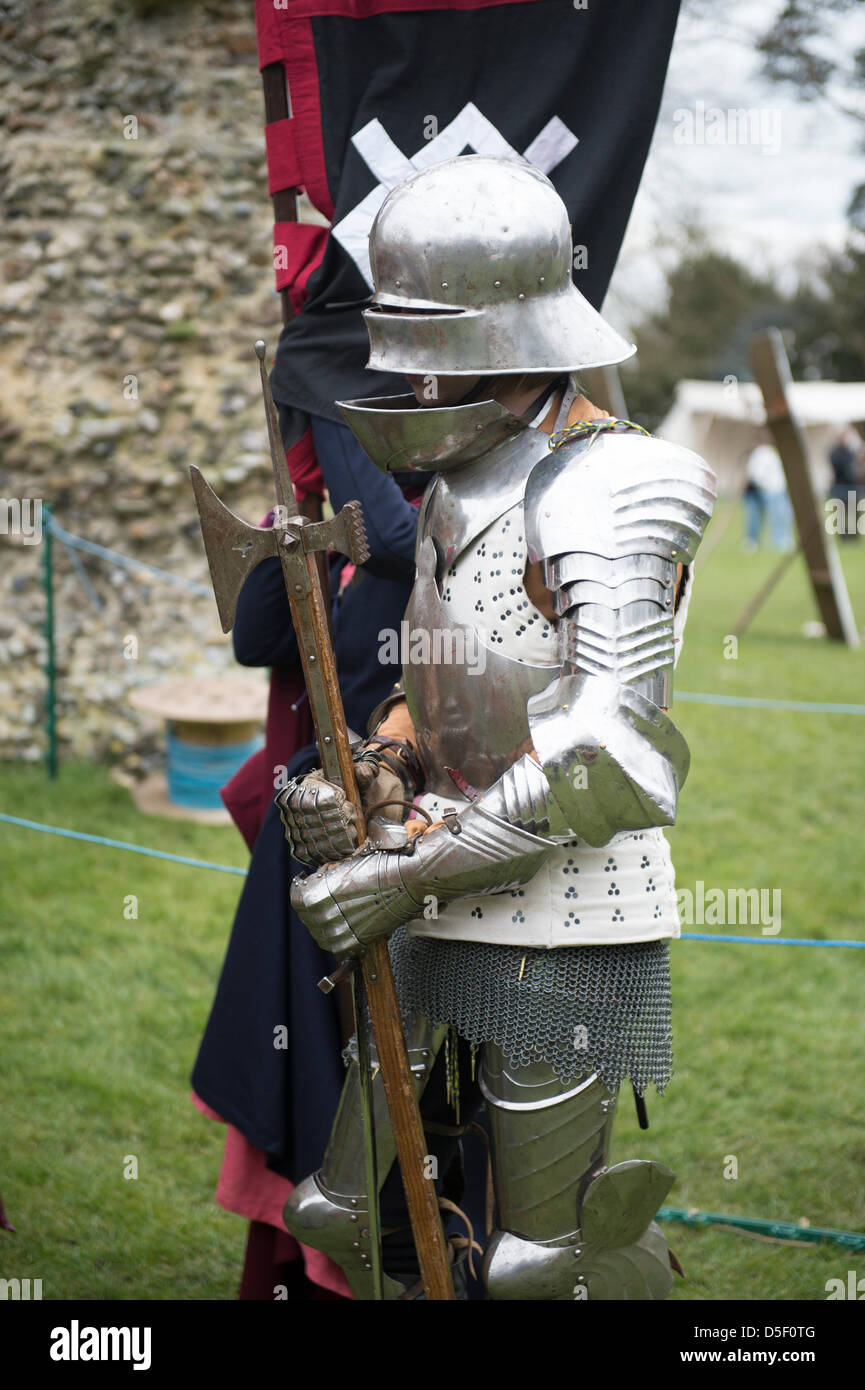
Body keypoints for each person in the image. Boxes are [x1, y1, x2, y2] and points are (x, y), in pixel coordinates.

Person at [277, 155, 716, 1301]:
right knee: (344, 1208)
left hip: (570, 905)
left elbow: (605, 756)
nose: (410, 385)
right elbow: (441, 693)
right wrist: (377, 768)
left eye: (426, 349)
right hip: (445, 880)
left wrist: (404, 875)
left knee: (542, 1262)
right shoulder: (461, 476)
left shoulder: (609, 486)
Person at [743, 432, 792, 551]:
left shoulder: (766, 453)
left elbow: (755, 474)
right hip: (770, 489)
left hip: (771, 489)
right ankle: (776, 540)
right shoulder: (763, 454)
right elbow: (757, 474)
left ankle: (776, 540)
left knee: (775, 516)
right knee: (773, 516)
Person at [828, 426, 863, 543]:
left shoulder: (851, 451)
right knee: (842, 513)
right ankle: (844, 537)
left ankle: (853, 536)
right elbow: (845, 470)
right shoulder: (837, 452)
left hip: (851, 487)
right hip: (841, 487)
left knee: (853, 512)